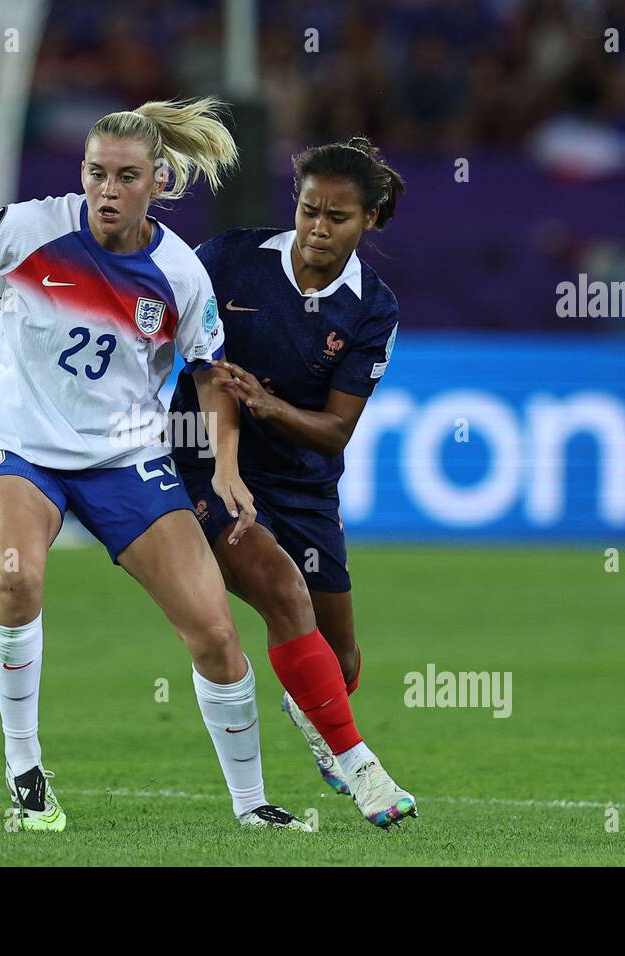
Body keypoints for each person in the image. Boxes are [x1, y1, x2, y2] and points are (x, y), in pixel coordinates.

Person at [0, 98, 308, 832]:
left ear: (157, 181)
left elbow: (209, 374)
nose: (106, 189)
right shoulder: (34, 227)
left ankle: (252, 805)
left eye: (125, 177)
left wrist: (226, 464)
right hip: (17, 442)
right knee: (16, 575)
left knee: (216, 634)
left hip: (123, 456)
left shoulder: (179, 274)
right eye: (96, 173)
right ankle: (26, 772)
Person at [168, 135, 417, 829]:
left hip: (304, 481)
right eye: (309, 210)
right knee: (282, 589)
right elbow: (150, 308)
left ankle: (314, 703)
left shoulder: (373, 309)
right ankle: (363, 769)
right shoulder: (230, 259)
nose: (317, 229)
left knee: (339, 657)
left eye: (337, 218)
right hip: (207, 463)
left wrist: (271, 405)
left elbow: (337, 430)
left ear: (368, 220)